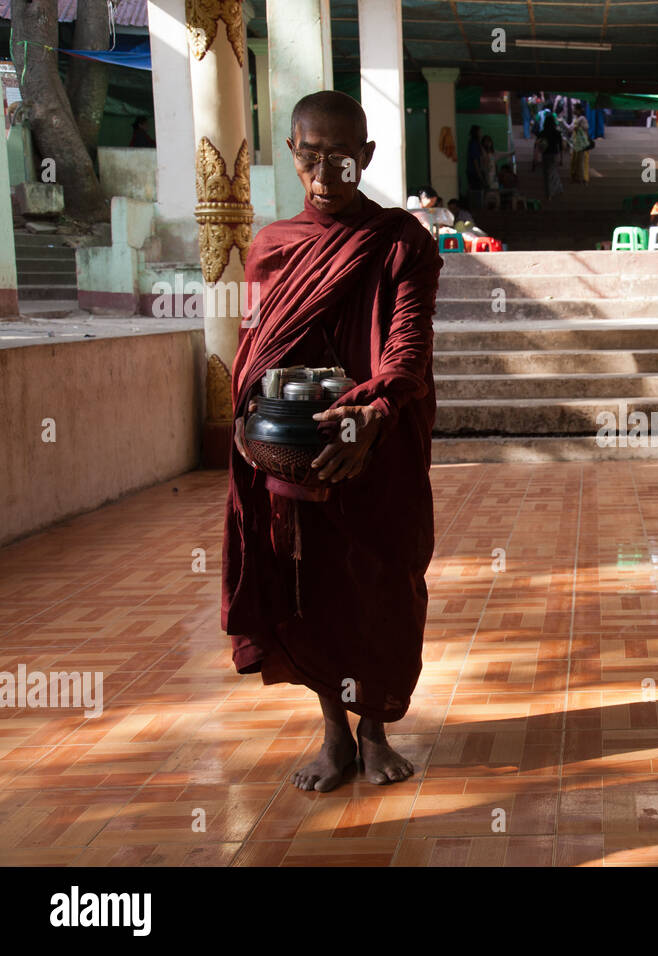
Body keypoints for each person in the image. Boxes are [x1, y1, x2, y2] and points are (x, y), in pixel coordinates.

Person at [224, 90, 441, 791]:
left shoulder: (401, 240)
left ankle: (374, 729)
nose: (325, 174)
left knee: (381, 580)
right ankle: (333, 733)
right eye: (311, 156)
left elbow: (407, 347)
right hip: (295, 447)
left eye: (342, 158)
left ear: (366, 157)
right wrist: (250, 419)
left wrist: (372, 412)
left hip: (378, 442)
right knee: (307, 581)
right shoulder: (271, 247)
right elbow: (254, 350)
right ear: (292, 154)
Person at [539, 113, 564, 200]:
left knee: (546, 174)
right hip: (554, 154)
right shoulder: (557, 133)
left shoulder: (542, 132)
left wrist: (536, 157)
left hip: (545, 154)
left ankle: (549, 192)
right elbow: (560, 146)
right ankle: (555, 189)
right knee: (552, 172)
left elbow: (538, 144)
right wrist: (561, 159)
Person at [568, 114, 591, 185]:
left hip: (581, 144)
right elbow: (570, 128)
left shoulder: (581, 120)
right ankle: (578, 177)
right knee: (577, 161)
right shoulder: (576, 120)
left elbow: (586, 128)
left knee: (579, 161)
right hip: (578, 143)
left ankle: (581, 178)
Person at [465, 124, 483, 203]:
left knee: (474, 189)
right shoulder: (474, 144)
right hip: (473, 171)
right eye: (480, 132)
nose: (481, 133)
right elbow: (475, 159)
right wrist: (478, 172)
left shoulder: (475, 143)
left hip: (473, 170)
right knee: (475, 190)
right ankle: (475, 205)